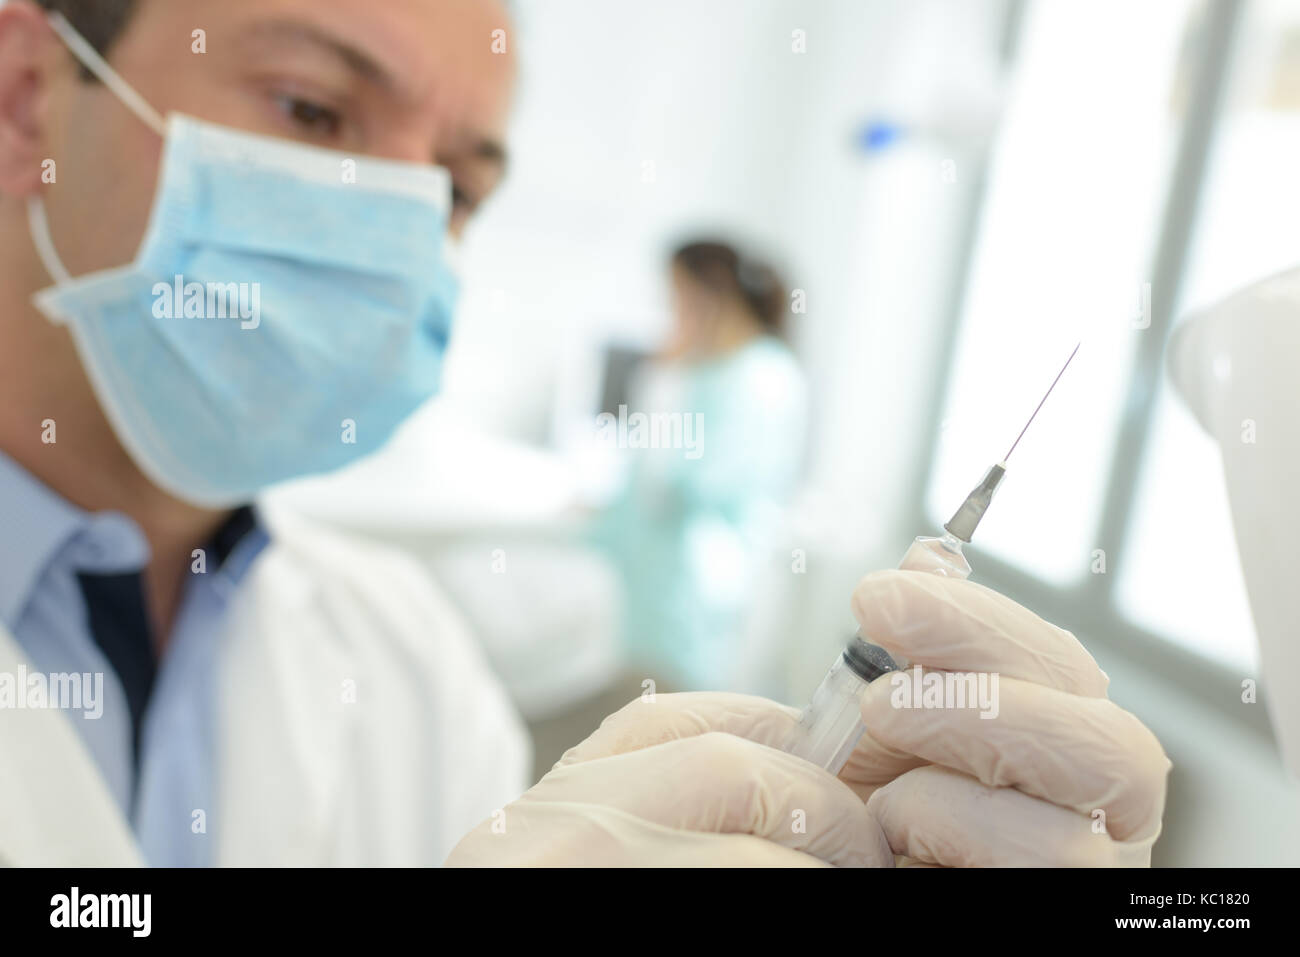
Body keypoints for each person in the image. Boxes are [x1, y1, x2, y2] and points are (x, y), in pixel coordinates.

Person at [0, 0, 1170, 867]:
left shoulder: (410, 669)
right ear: (26, 92)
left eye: (457, 191)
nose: (405, 231)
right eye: (314, 109)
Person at [591, 240, 807, 689]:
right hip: (664, 585)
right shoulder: (710, 370)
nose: (671, 313)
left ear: (709, 297)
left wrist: (665, 379)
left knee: (687, 715)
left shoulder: (762, 378)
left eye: (676, 296)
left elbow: (687, 482)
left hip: (703, 588)